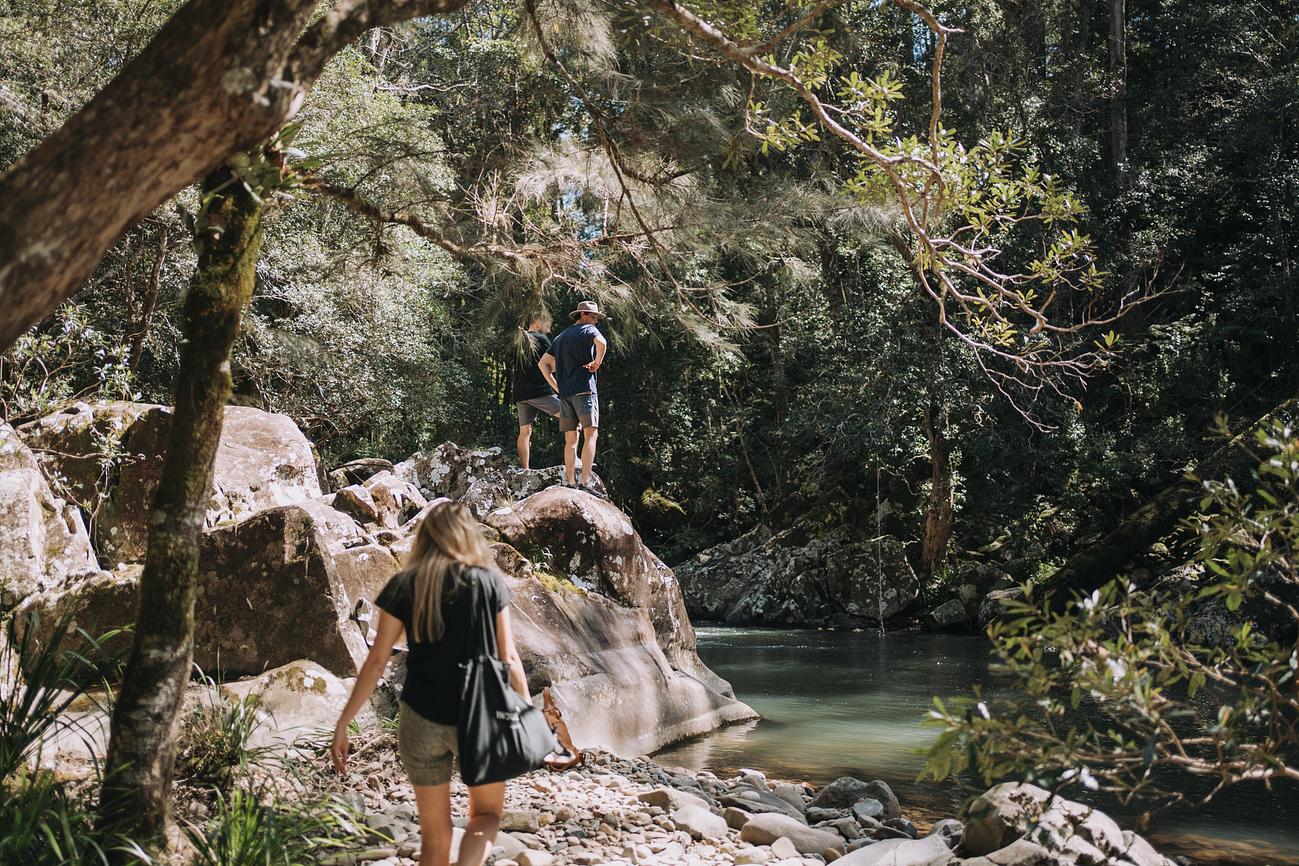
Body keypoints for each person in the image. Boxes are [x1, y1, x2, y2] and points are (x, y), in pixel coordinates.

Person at [331, 502, 529, 866]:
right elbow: (510, 658)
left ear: (425, 539)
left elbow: (376, 662)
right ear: (467, 536)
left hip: (421, 718)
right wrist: (527, 714)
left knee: (435, 837)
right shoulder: (488, 582)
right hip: (479, 718)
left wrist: (344, 722)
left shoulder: (405, 585)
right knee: (486, 817)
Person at [538, 300, 607, 494]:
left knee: (570, 439)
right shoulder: (588, 330)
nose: (596, 320)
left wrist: (557, 387)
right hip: (584, 390)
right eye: (593, 316)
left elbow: (543, 364)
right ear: (582, 314)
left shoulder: (561, 337)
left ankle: (569, 482)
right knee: (591, 434)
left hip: (566, 395)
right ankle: (585, 482)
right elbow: (602, 343)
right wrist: (597, 363)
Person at [512, 312, 561, 470]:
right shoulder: (541, 339)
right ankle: (574, 459)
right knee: (571, 416)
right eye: (547, 325)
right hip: (539, 390)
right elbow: (553, 366)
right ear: (538, 322)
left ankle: (525, 469)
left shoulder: (519, 341)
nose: (548, 330)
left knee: (525, 431)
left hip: (520, 392)